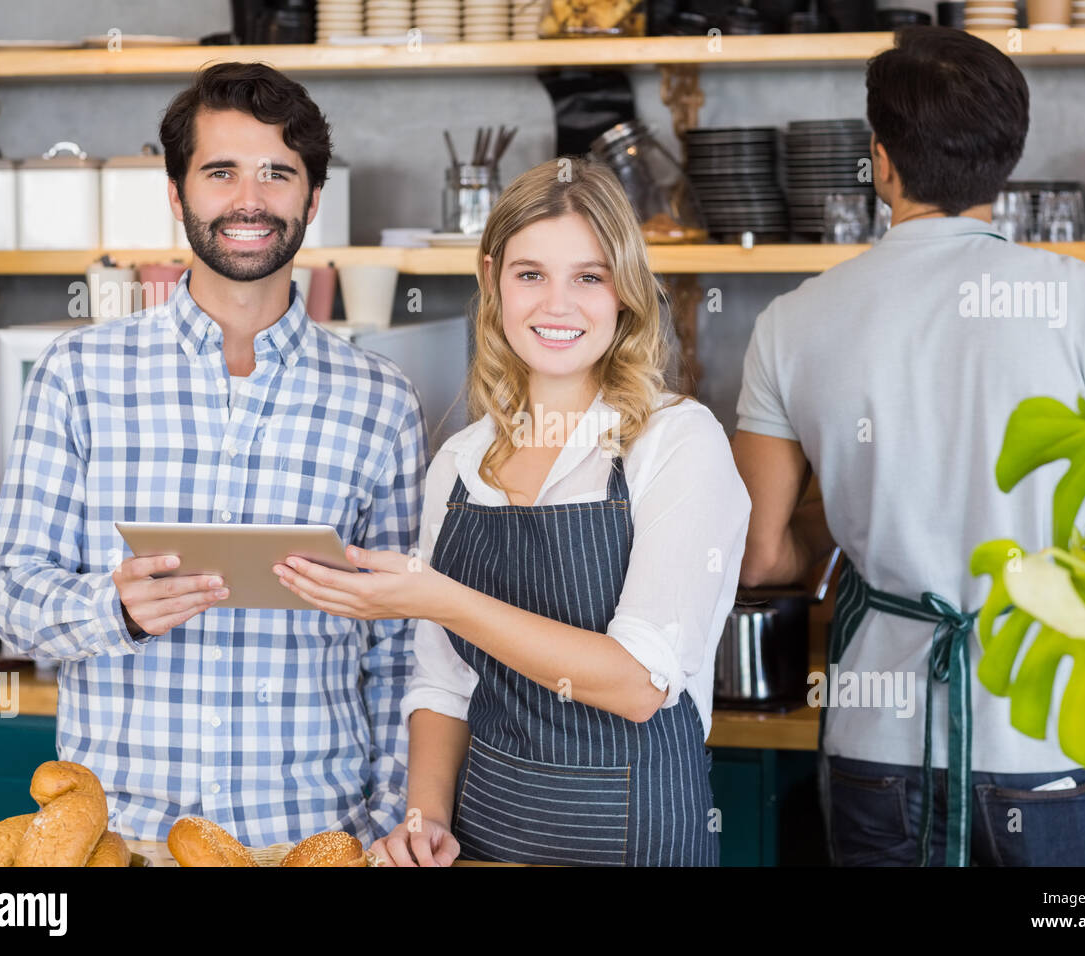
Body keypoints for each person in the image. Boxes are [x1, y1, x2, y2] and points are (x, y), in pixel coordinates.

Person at [732, 26, 1085, 866]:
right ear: (1007, 161)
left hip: (879, 742)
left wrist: (842, 525)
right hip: (1053, 733)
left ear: (881, 162)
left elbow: (758, 553)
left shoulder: (791, 321)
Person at [0, 62, 426, 846]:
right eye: (221, 172)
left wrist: (388, 823)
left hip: (311, 840)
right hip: (122, 839)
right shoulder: (78, 376)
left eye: (277, 174)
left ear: (312, 200)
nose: (248, 200)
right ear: (178, 194)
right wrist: (109, 610)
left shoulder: (380, 400)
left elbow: (401, 649)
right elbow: (9, 597)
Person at [272, 157, 751, 866]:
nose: (557, 305)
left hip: (636, 842)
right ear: (492, 279)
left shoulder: (676, 442)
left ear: (624, 291)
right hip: (485, 842)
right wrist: (425, 813)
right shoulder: (462, 462)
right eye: (531, 275)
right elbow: (444, 680)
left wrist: (439, 597)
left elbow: (637, 684)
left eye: (588, 277)